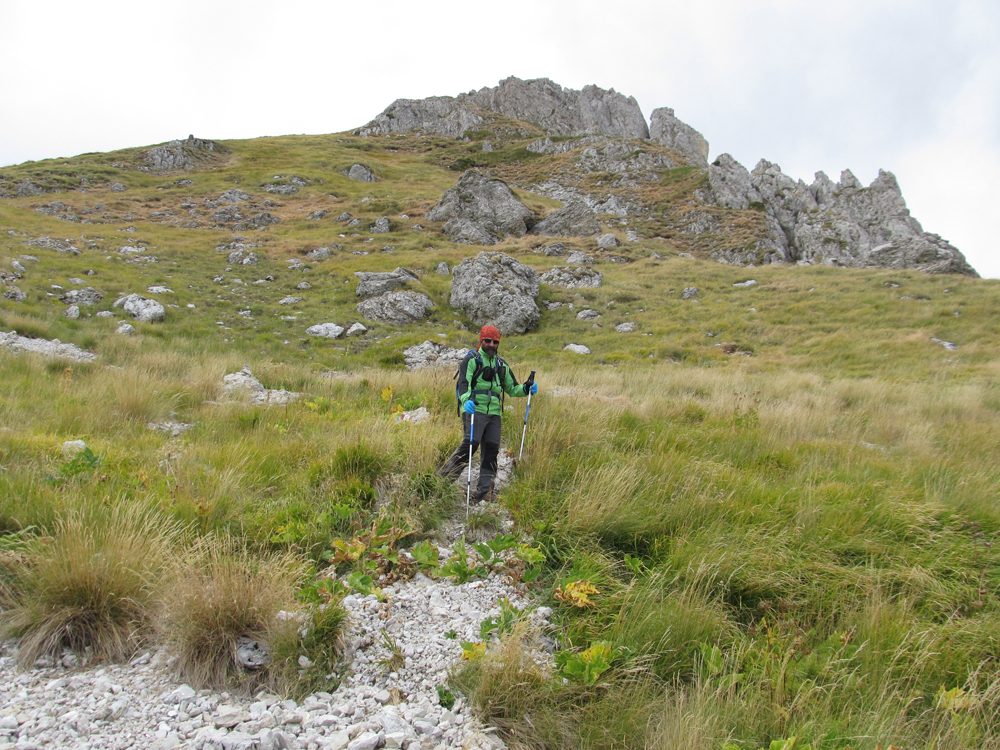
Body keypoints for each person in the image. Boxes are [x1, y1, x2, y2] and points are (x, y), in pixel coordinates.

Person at [437, 325, 538, 502]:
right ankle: (441, 482)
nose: (491, 344)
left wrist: (527, 388)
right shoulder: (471, 360)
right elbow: (463, 384)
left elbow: (512, 389)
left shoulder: (501, 365)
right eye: (488, 341)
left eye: (495, 341)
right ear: (481, 341)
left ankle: (485, 492)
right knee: (470, 444)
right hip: (474, 408)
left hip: (494, 413)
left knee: (491, 449)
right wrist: (466, 400)